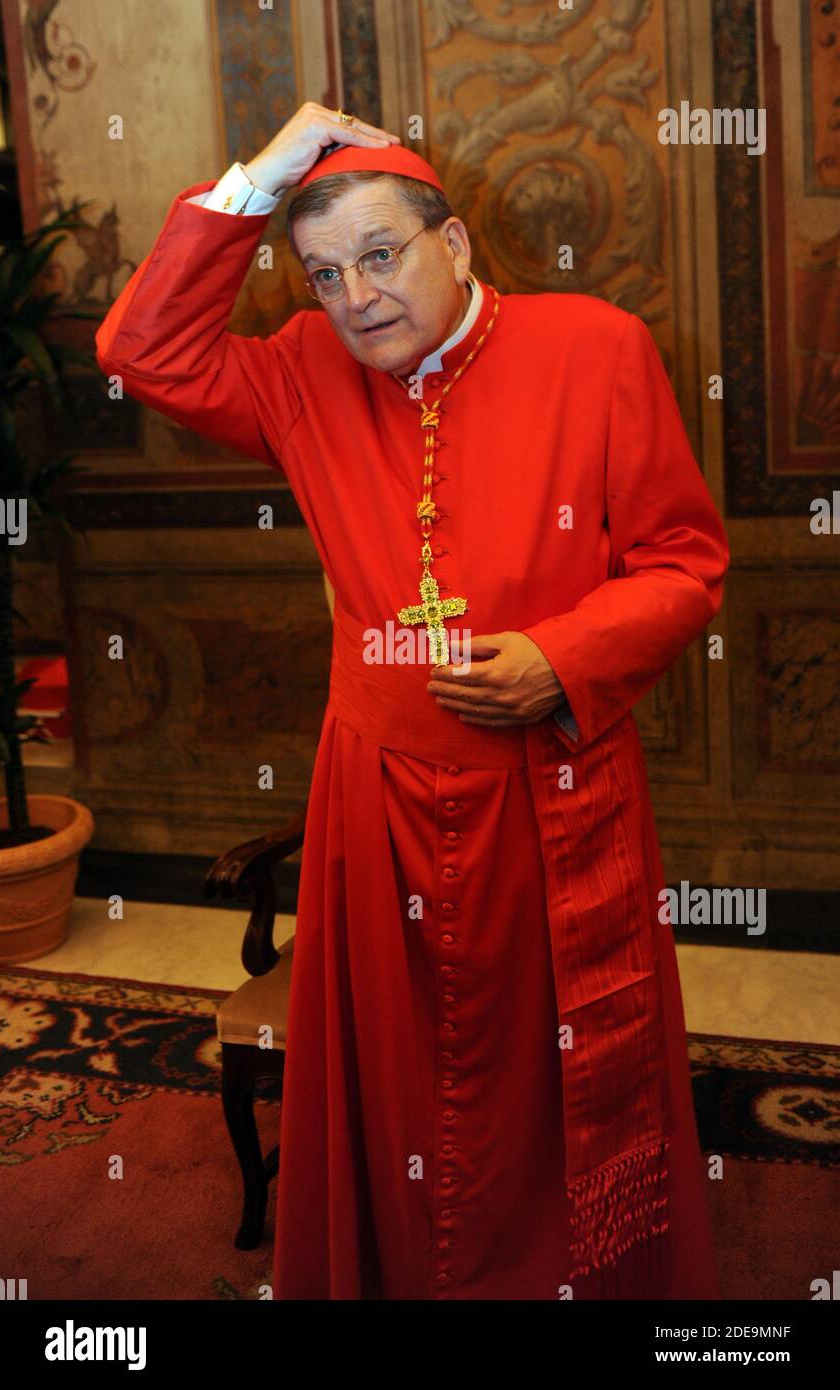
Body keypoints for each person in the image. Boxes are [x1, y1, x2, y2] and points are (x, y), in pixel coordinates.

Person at [95, 103, 729, 1301]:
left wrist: (561, 656)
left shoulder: (594, 347)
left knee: (556, 1082)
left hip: (548, 791)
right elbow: (142, 352)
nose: (356, 299)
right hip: (371, 801)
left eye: (380, 256)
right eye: (324, 274)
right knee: (393, 1085)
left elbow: (683, 562)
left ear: (456, 245)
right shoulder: (297, 370)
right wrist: (262, 175)